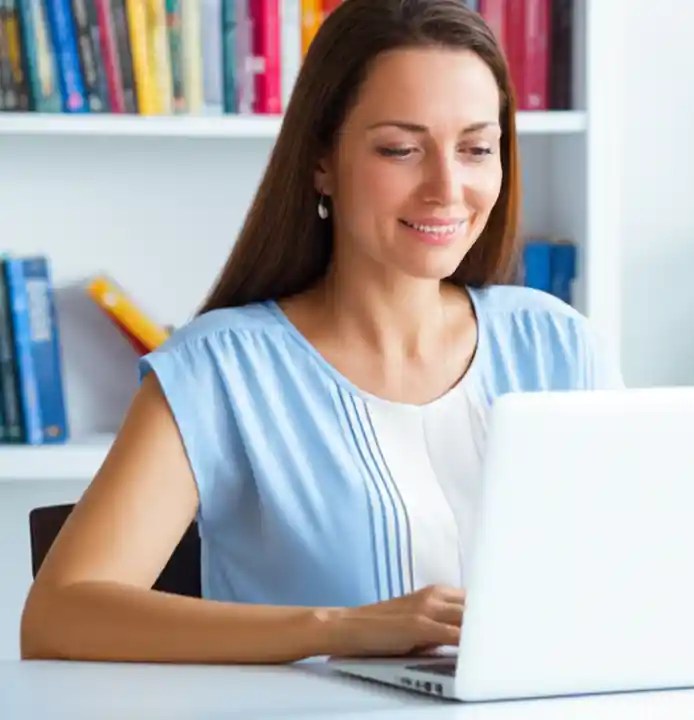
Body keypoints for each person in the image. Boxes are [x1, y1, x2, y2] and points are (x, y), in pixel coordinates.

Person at [20, 0, 621, 664]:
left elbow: (641, 570)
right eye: (401, 149)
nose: (448, 188)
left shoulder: (562, 348)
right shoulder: (220, 373)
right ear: (321, 162)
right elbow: (60, 613)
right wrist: (336, 629)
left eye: (477, 148)